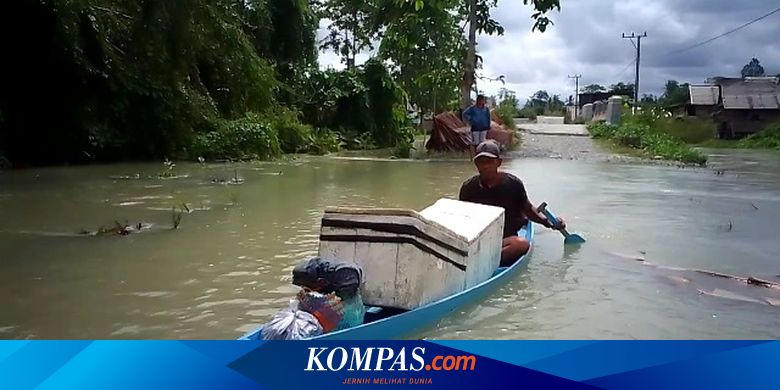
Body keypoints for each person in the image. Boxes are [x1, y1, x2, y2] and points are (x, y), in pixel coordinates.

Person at [459, 140, 566, 266]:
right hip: (479, 243)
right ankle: (482, 262)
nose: (485, 166)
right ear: (476, 164)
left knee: (521, 244)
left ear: (499, 163)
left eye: (489, 162)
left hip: (505, 241)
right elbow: (462, 221)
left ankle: (483, 264)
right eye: (481, 162)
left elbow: (528, 209)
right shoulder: (468, 188)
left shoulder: (513, 184)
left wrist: (549, 223)